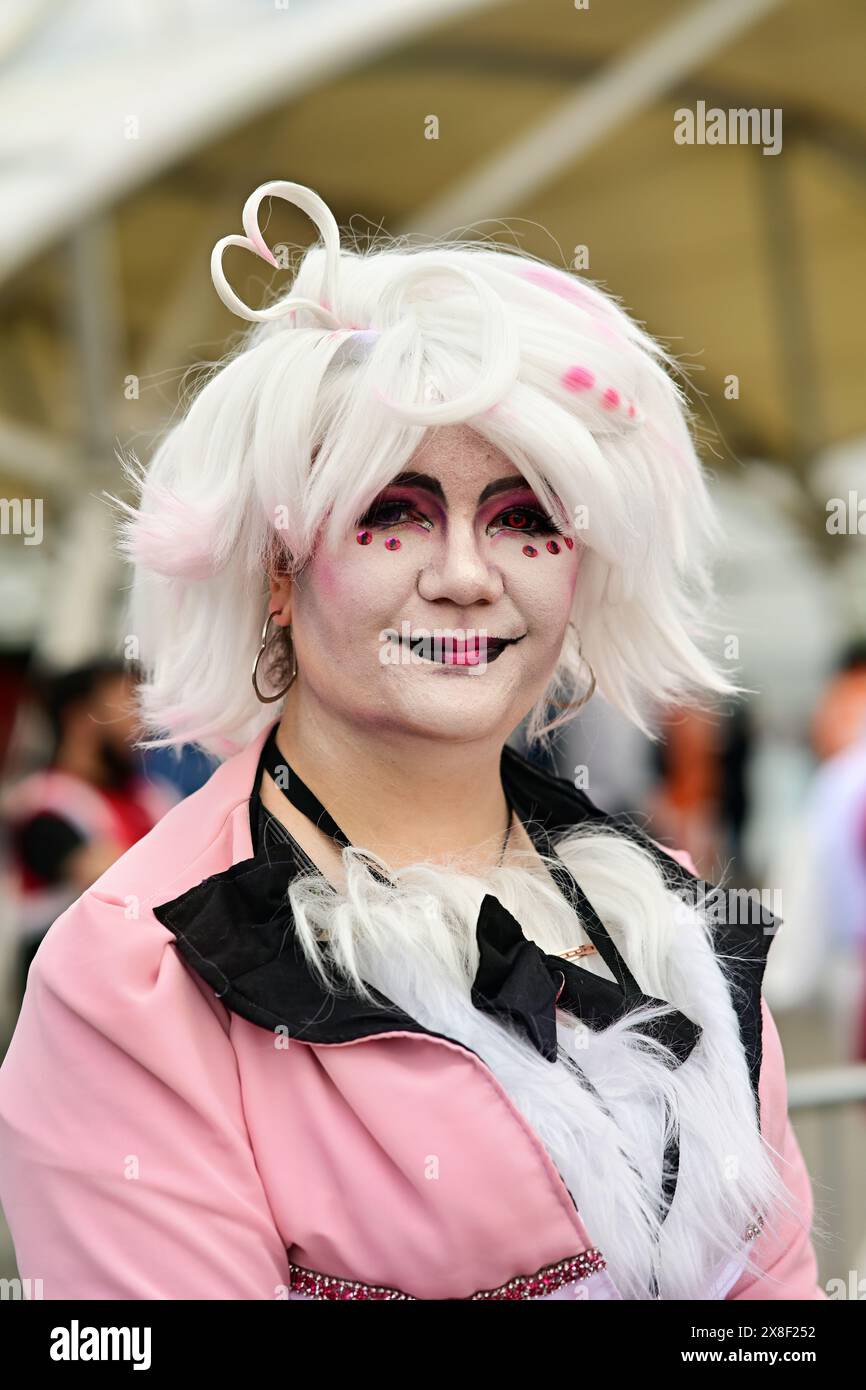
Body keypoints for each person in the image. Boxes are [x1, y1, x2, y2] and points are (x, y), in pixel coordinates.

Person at [0, 180, 825, 1301]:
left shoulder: (669, 917)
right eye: (394, 513)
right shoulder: (135, 979)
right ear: (278, 571)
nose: (464, 576)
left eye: (526, 518)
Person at [0, 661, 178, 1009]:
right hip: (67, 1005)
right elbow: (117, 882)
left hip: (144, 998)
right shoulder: (45, 805)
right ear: (82, 719)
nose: (139, 725)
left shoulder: (154, 798)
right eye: (126, 706)